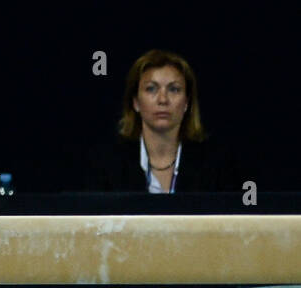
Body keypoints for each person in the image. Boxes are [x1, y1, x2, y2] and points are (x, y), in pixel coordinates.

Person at [86, 49, 241, 193]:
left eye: (174, 89)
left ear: (187, 102)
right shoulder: (107, 164)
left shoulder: (216, 164)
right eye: (151, 89)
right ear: (136, 102)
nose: (163, 99)